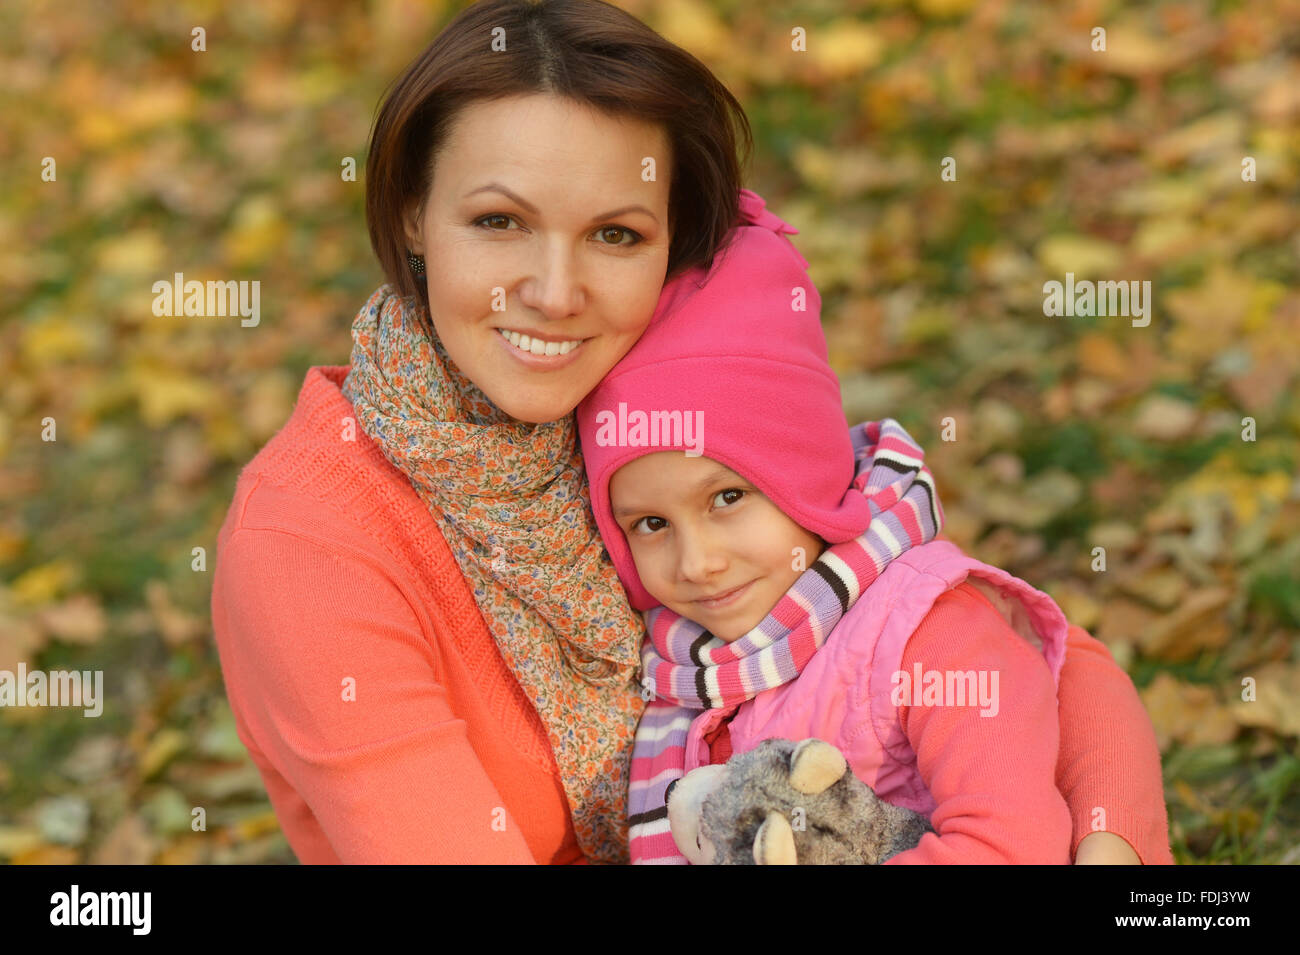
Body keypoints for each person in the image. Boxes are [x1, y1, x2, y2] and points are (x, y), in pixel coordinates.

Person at [210, 0, 1171, 864]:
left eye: (616, 234)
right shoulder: (308, 548)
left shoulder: (649, 406)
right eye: (499, 221)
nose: (554, 292)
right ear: (414, 212)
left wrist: (1105, 849)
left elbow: (1035, 660)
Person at [577, 200, 1166, 863]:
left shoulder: (925, 631)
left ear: (807, 473)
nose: (697, 561)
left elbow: (1010, 846)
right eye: (651, 523)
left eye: (728, 496)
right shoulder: (686, 681)